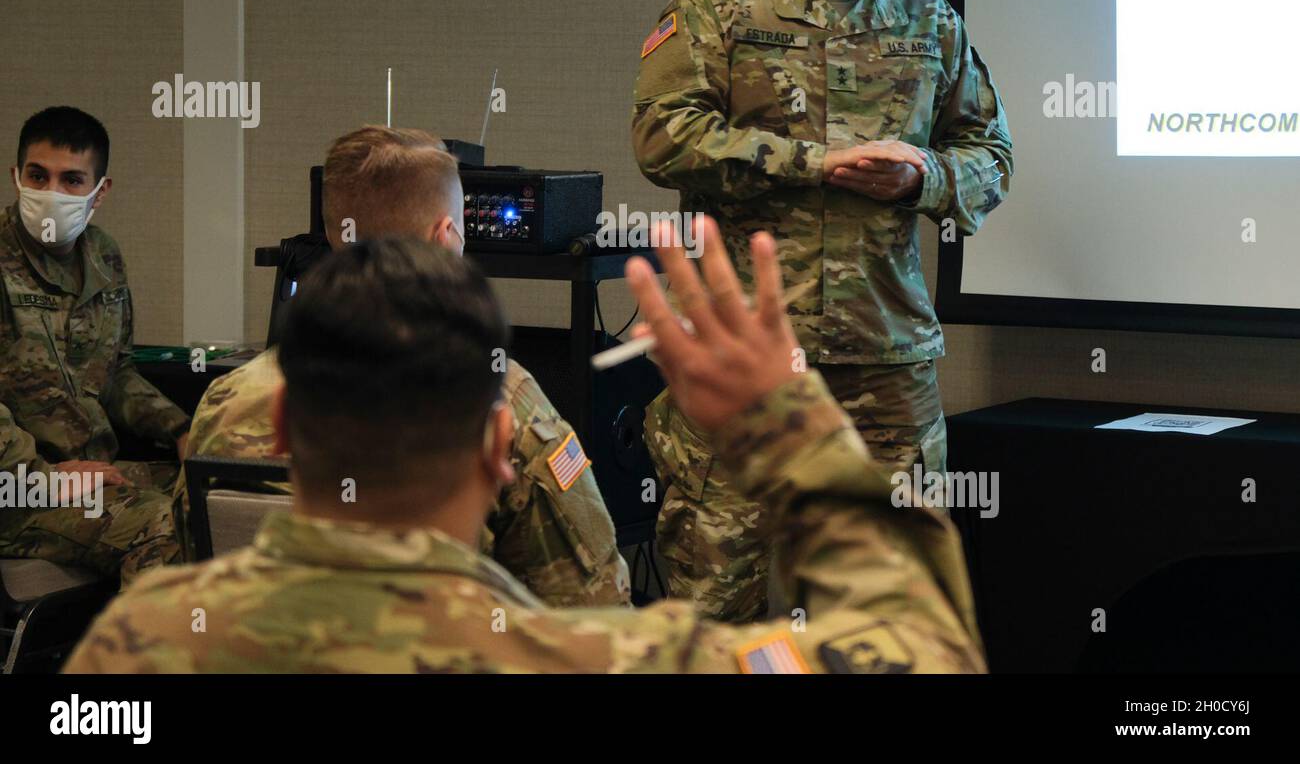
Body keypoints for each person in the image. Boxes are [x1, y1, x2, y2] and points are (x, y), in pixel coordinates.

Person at [65, 221, 985, 673]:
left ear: (280, 431)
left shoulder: (135, 644)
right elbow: (921, 650)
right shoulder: (594, 659)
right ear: (501, 442)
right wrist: (791, 426)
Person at [631, 0, 1013, 619]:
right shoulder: (718, 6)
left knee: (899, 602)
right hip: (744, 353)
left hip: (884, 356)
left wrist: (924, 177)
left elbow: (991, 152)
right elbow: (663, 137)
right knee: (712, 598)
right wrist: (812, 164)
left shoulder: (928, 20)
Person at [172, 125, 629, 607]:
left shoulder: (228, 397)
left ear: (333, 235)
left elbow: (193, 556)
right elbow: (595, 604)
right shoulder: (500, 397)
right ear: (446, 236)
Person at [0, 107, 187, 585]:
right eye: (38, 176)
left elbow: (115, 374)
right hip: (16, 490)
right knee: (163, 524)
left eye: (72, 180)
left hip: (92, 471)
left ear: (99, 191)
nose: (52, 193)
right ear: (16, 176)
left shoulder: (103, 255)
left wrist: (182, 430)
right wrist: (43, 477)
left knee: (217, 496)